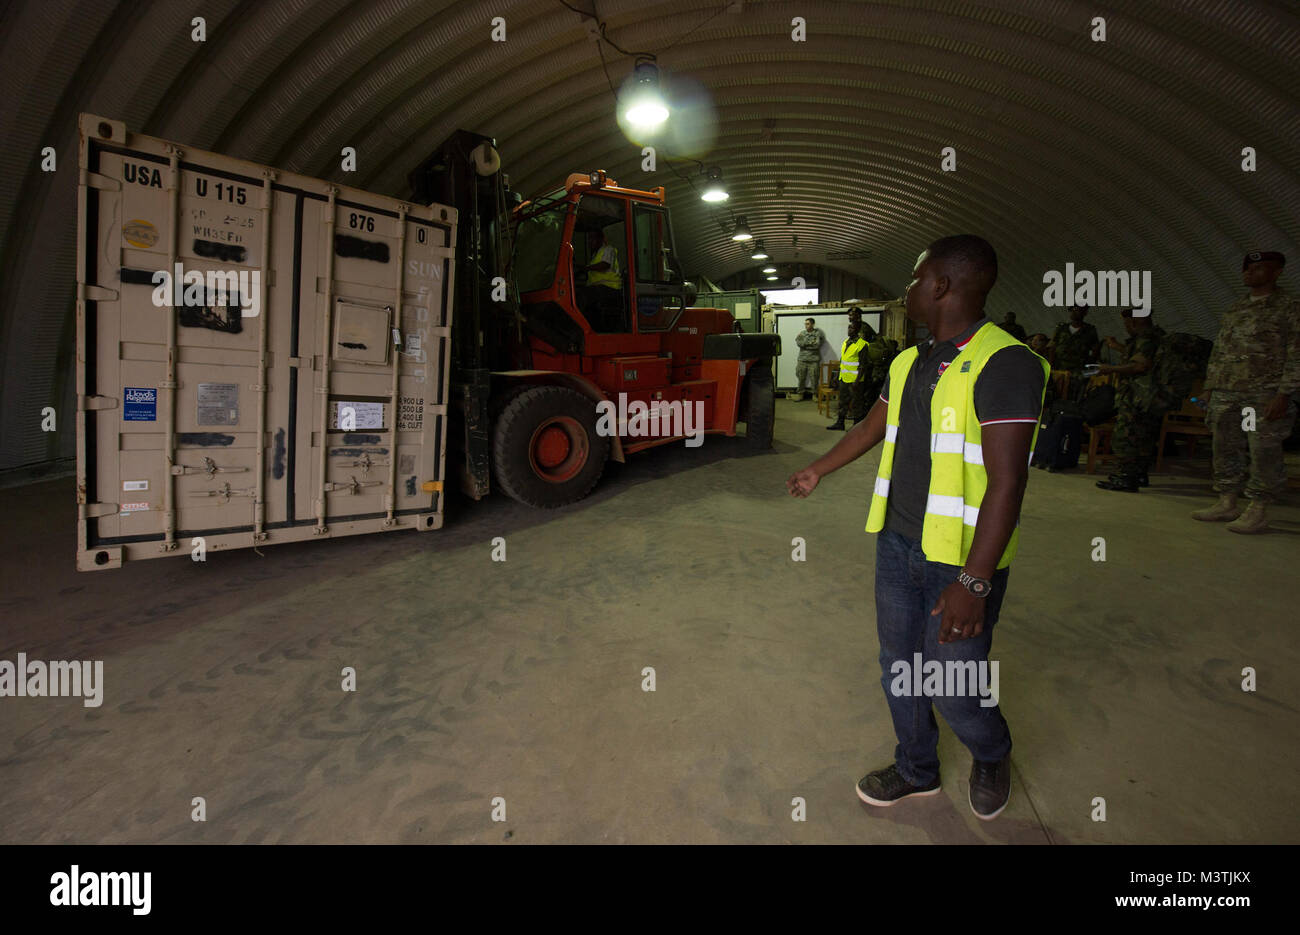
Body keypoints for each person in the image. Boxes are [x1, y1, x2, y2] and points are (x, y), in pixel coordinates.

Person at [788, 235, 1048, 821]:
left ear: (940, 286)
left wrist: (976, 581)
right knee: (898, 667)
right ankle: (916, 769)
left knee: (955, 687)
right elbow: (871, 427)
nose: (906, 290)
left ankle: (993, 751)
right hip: (898, 545)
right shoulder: (909, 359)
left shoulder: (1005, 363)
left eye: (914, 278)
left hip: (959, 561)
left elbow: (1009, 482)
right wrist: (817, 469)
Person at [1193, 250, 1299, 533]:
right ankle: (1227, 501)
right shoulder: (1236, 308)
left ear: (1277, 272)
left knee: (1262, 449)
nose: (1249, 273)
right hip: (1227, 392)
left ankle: (1259, 509)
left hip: (1263, 393)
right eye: (1247, 268)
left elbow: (1296, 353)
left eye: (1259, 268)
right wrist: (1209, 389)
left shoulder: (1288, 308)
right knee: (1224, 445)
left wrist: (1284, 394)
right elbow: (1220, 350)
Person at [1095, 310, 1167, 492]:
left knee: (1126, 436)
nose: (1127, 327)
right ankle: (1138, 474)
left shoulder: (1145, 338)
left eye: (1128, 323)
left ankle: (1125, 477)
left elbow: (1140, 365)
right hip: (1151, 396)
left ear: (1136, 321)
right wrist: (1118, 347)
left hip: (1137, 395)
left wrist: (1109, 369)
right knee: (1144, 436)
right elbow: (1141, 357)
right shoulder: (1156, 337)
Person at [1051, 304, 1100, 401]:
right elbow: (1053, 347)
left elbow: (1095, 351)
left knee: (1074, 396)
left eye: (1077, 310)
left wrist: (1089, 369)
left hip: (1078, 370)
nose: (1073, 313)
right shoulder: (1061, 328)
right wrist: (1051, 365)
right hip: (1060, 368)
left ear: (1085, 313)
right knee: (1055, 394)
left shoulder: (1089, 330)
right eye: (1072, 310)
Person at [577, 229, 622, 331]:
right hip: (599, 289)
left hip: (610, 289)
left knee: (582, 296)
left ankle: (580, 327)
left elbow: (605, 265)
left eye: (592, 238)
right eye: (589, 238)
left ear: (600, 239)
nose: (589, 241)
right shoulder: (595, 255)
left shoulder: (608, 249)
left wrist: (586, 268)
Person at [827, 320, 869, 430]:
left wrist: (857, 381)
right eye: (848, 328)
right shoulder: (846, 342)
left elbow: (863, 365)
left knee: (856, 404)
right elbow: (843, 361)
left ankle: (857, 427)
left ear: (858, 330)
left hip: (855, 380)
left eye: (852, 328)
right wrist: (837, 376)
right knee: (842, 402)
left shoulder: (862, 345)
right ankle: (840, 423)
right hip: (844, 378)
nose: (849, 330)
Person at [794, 318, 825, 399]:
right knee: (801, 377)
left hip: (814, 360)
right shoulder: (802, 333)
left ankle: (814, 395)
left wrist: (805, 344)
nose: (806, 326)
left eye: (808, 324)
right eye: (805, 324)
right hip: (802, 359)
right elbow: (799, 343)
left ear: (812, 324)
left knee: (814, 378)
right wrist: (811, 343)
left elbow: (817, 345)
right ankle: (800, 394)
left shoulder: (818, 333)